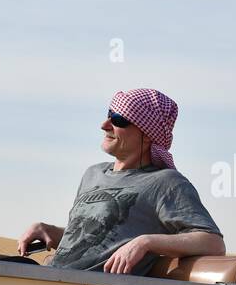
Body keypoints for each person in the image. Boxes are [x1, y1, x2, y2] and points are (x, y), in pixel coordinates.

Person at [18, 88, 224, 274]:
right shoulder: (93, 174)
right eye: (109, 115)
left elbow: (213, 243)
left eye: (118, 119)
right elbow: (94, 243)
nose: (105, 125)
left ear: (147, 133)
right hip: (51, 278)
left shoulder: (166, 183)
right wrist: (47, 230)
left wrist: (145, 242)